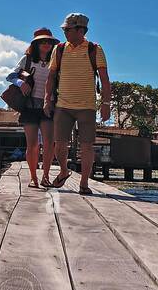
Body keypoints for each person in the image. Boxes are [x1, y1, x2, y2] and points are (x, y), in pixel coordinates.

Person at [44, 12, 110, 194]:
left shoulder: (94, 49)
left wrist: (106, 103)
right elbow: (51, 77)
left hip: (87, 106)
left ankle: (84, 184)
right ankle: (64, 171)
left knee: (87, 145)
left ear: (81, 30)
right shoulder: (59, 49)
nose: (65, 32)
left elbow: (104, 79)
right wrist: (47, 99)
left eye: (68, 29)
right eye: (64, 29)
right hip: (63, 105)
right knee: (60, 143)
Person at [5, 27, 59, 188]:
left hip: (49, 104)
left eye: (48, 41)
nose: (46, 44)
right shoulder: (27, 60)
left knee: (50, 143)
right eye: (42, 41)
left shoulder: (55, 60)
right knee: (32, 144)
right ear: (36, 44)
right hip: (30, 105)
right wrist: (21, 83)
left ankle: (46, 176)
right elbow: (11, 76)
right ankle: (34, 177)